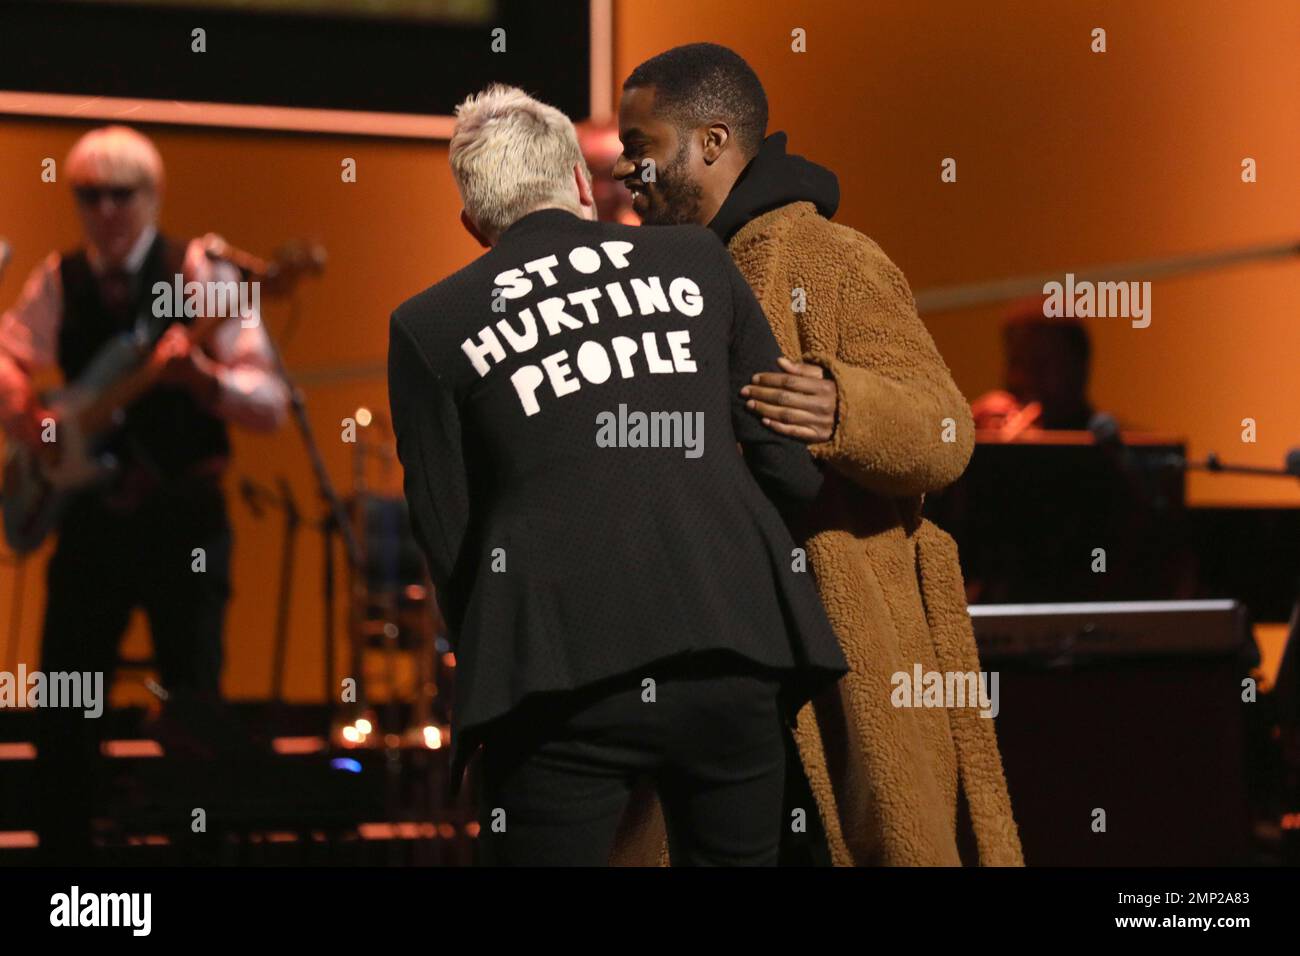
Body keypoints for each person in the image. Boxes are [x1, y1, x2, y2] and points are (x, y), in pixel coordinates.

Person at [387, 84, 849, 865]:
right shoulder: (697, 258)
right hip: (733, 638)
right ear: (578, 182)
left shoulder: (429, 325)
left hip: (553, 669)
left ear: (473, 225)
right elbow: (789, 466)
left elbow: (449, 539)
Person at [610, 43, 1024, 866]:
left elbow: (947, 430)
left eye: (642, 149)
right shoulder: (659, 283)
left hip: (827, 663)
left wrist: (845, 405)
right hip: (703, 668)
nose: (630, 173)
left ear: (714, 142)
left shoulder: (830, 259)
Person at [0, 125, 289, 862]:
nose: (101, 212)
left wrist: (207, 382)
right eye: (86, 196)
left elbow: (270, 400)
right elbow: (9, 353)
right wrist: (26, 412)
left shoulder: (198, 271)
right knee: (65, 702)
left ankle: (197, 851)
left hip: (181, 522)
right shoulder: (57, 279)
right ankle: (66, 870)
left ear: (151, 196)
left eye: (118, 195)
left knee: (192, 706)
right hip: (91, 521)